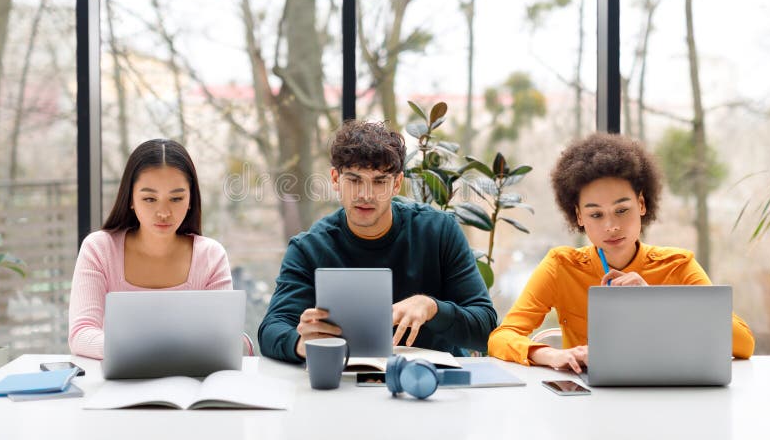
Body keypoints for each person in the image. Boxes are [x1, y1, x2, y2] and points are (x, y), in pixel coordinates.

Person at [488, 132, 755, 371]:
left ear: (641, 204)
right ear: (579, 216)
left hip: (666, 396)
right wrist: (549, 355)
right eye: (595, 214)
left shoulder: (678, 265)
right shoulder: (561, 266)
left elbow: (744, 344)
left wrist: (654, 302)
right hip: (588, 402)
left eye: (622, 210)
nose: (611, 226)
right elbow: (501, 338)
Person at [258, 120, 497, 363]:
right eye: (354, 180)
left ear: (396, 184)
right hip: (344, 384)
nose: (365, 195)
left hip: (433, 382)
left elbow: (486, 328)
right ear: (335, 179)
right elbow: (271, 329)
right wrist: (300, 343)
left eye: (379, 182)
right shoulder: (309, 248)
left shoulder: (438, 231)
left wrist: (433, 308)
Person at [68, 139, 232, 359]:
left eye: (176, 198)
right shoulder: (99, 249)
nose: (163, 212)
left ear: (191, 199)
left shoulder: (211, 256)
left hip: (188, 383)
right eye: (149, 199)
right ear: (131, 199)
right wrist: (145, 352)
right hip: (118, 384)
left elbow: (221, 337)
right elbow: (81, 333)